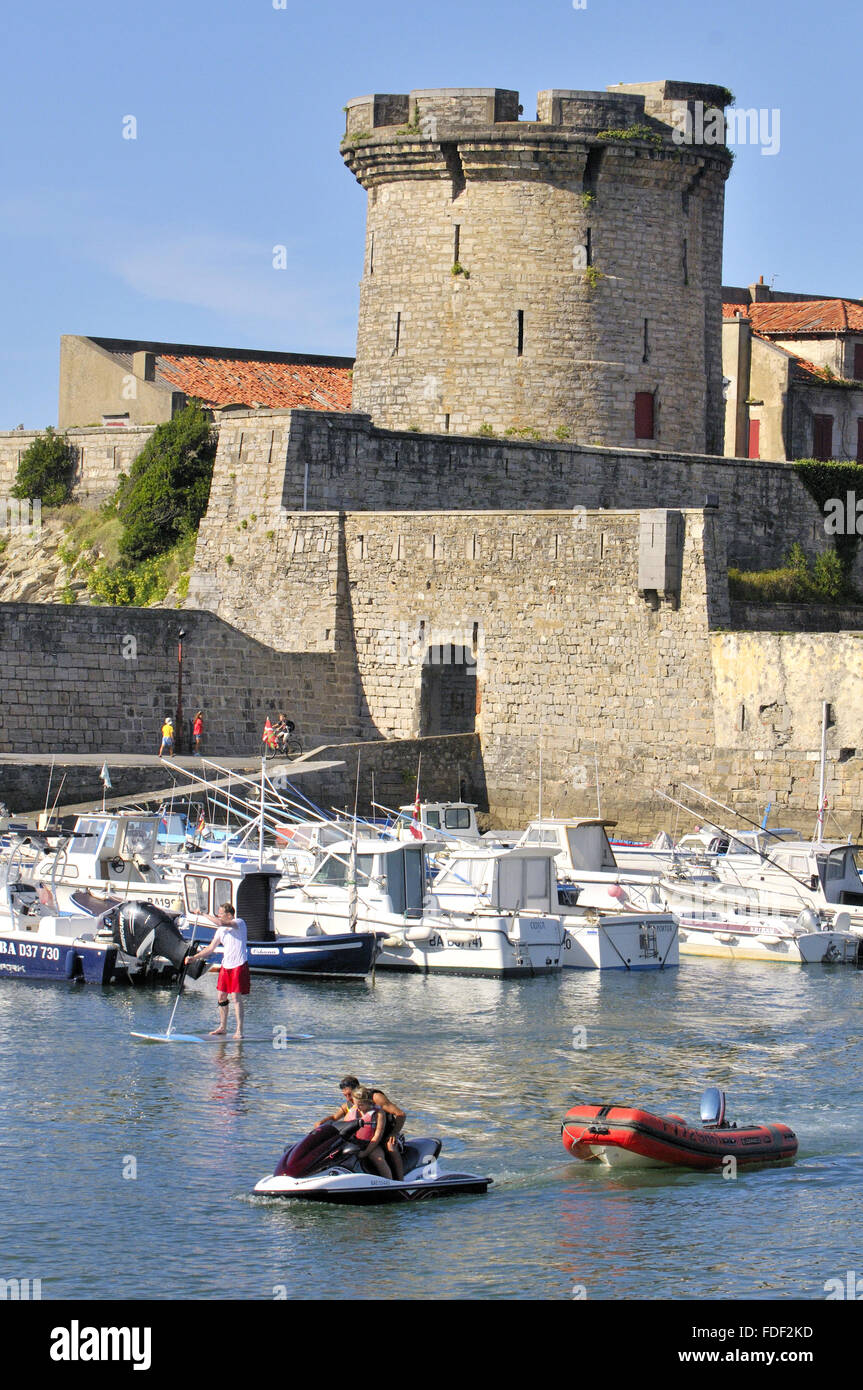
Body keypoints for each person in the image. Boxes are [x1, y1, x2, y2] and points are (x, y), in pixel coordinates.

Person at [317, 1076, 406, 1180]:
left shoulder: (376, 1098)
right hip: (362, 1139)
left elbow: (400, 1114)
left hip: (385, 1133)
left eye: (349, 1094)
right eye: (345, 1095)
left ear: (357, 1090)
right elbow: (334, 1117)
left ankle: (399, 1181)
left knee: (390, 1147)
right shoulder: (350, 1104)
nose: (348, 1098)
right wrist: (321, 1123)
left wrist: (393, 1133)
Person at [185, 903, 249, 1039]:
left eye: (221, 913)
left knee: (236, 997)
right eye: (218, 913)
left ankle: (239, 1030)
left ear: (229, 915)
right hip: (226, 966)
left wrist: (201, 914)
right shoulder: (220, 931)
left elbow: (219, 922)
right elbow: (210, 948)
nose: (218, 916)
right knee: (221, 997)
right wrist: (194, 958)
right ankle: (223, 1027)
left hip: (238, 965)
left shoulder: (239, 923)